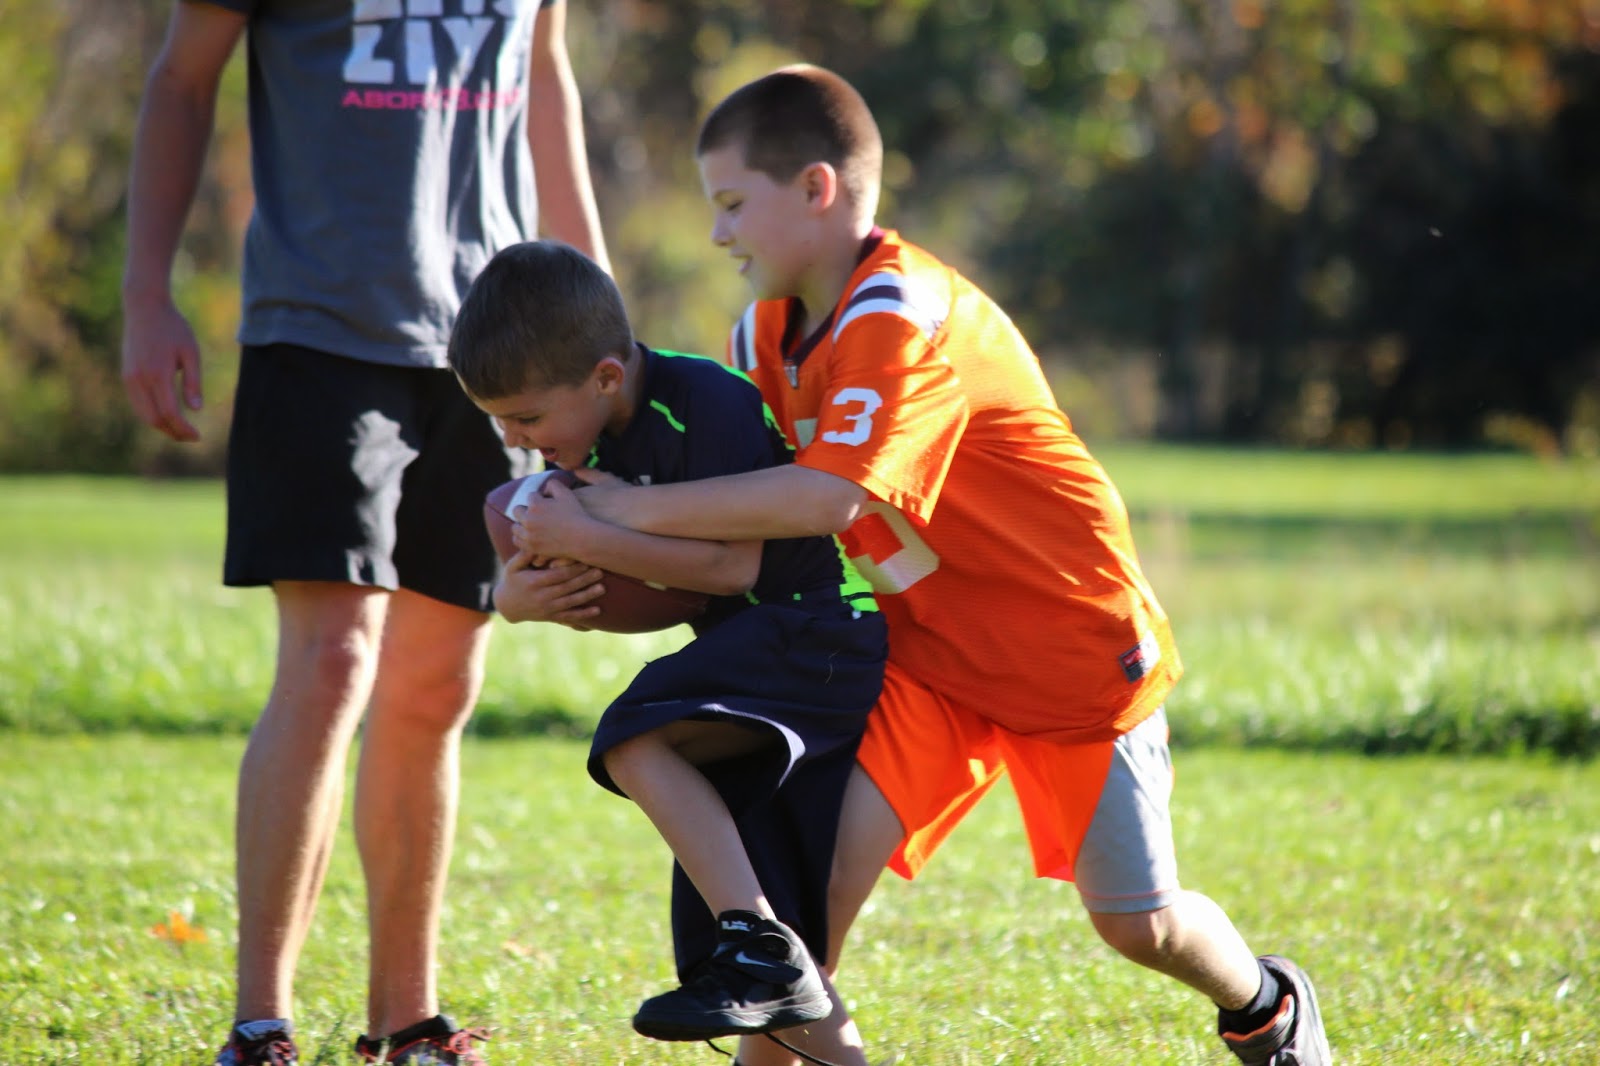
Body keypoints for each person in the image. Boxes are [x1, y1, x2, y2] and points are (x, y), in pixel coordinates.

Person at [568, 65, 1333, 1066]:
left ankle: (1266, 1007)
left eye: (730, 204)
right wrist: (566, 570)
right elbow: (742, 535)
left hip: (1065, 645)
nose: (717, 234)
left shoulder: (905, 314)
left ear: (815, 189)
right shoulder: (760, 332)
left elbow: (828, 497)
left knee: (1136, 922)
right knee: (804, 918)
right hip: (923, 659)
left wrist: (618, 513)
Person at [118, 2, 608, 1063]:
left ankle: (407, 1021)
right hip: (319, 329)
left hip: (494, 343)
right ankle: (261, 1024)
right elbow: (179, 81)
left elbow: (544, 81)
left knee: (437, 684)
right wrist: (145, 295)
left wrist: (593, 313)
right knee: (335, 659)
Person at [446, 239, 888, 1061]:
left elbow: (732, 566)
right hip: (753, 654)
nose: (515, 437)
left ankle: (756, 940)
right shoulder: (585, 441)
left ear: (606, 378)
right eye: (500, 420)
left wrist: (589, 533)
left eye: (529, 416)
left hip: (820, 632)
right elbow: (670, 597)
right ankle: (764, 946)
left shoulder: (705, 402)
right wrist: (515, 597)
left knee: (636, 737)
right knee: (775, 971)